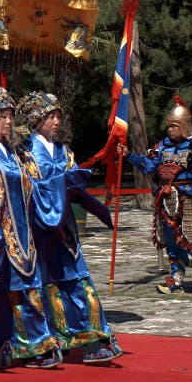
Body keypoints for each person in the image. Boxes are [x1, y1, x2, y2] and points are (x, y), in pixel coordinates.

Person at [0, 86, 65, 369]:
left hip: (23, 232)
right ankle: (2, 345)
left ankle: (35, 343)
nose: (7, 122)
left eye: (10, 116)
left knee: (27, 286)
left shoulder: (14, 153)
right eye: (1, 116)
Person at [18, 91, 122, 363]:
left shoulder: (65, 151)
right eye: (50, 116)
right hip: (40, 229)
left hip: (65, 228)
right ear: (36, 119)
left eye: (57, 117)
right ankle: (53, 339)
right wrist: (59, 185)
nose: (56, 122)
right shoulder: (24, 153)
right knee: (46, 283)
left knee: (76, 277)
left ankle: (94, 338)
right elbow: (26, 189)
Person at [118, 96, 192, 297]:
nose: (170, 130)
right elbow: (150, 166)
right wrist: (129, 155)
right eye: (169, 126)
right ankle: (176, 280)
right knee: (172, 242)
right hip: (166, 200)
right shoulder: (161, 147)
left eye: (174, 126)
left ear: (184, 126)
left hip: (190, 199)